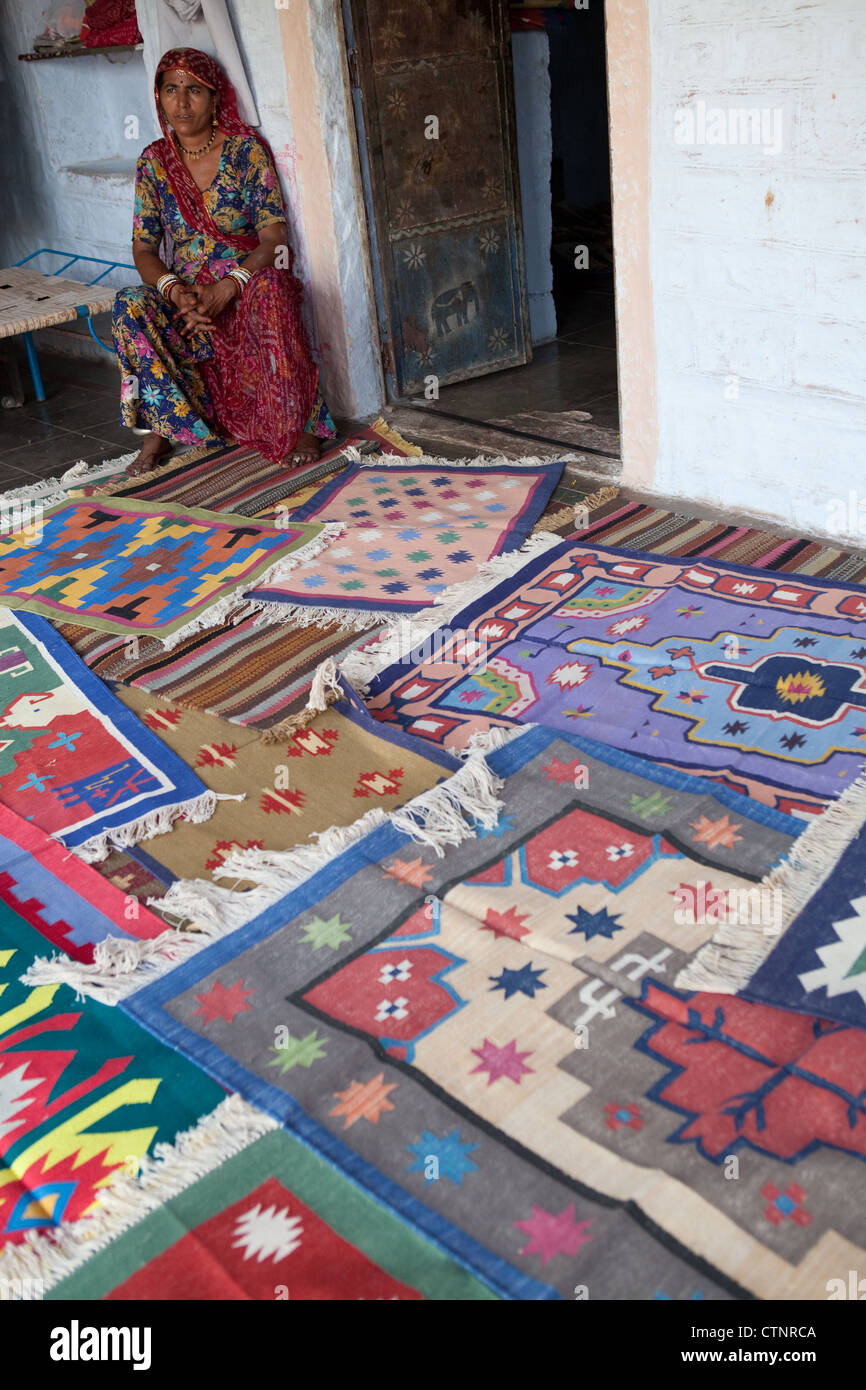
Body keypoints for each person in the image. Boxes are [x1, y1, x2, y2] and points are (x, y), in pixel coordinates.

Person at [113, 46, 335, 476]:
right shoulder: (154, 163)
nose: (181, 102)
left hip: (243, 285)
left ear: (216, 99)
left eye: (194, 90)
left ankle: (304, 424)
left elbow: (274, 237)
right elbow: (144, 248)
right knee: (129, 306)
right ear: (158, 96)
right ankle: (160, 429)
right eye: (171, 89)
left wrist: (229, 286)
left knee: (273, 288)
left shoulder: (245, 152)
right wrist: (176, 293)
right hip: (188, 298)